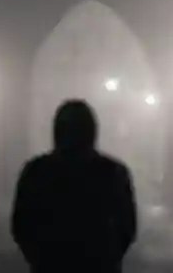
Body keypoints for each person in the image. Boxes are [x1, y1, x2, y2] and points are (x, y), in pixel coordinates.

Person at [12, 100, 137, 273]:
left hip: (50, 264)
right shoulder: (113, 172)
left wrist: (39, 256)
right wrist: (109, 256)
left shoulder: (36, 171)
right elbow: (127, 226)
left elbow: (21, 224)